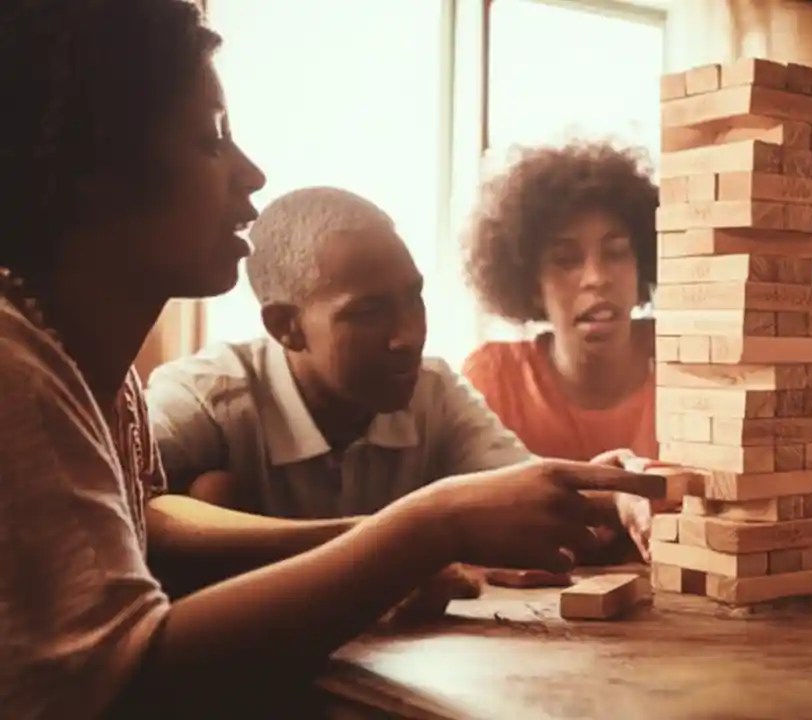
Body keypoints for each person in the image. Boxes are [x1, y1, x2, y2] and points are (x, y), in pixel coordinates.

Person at [0, 3, 656, 717]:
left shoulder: (99, 380)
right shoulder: (21, 372)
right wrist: (422, 529)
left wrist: (620, 486)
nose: (251, 174)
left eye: (414, 301)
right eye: (212, 138)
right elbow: (130, 679)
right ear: (95, 168)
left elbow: (138, 537)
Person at [146, 186, 531, 520]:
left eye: (414, 298)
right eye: (367, 313)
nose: (408, 336)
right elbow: (121, 513)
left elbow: (528, 498)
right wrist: (407, 539)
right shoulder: (205, 397)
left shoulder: (433, 392)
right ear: (286, 327)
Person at [460, 141, 659, 461]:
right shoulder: (495, 382)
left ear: (642, 266)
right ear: (533, 285)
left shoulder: (685, 361)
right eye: (566, 260)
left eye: (616, 253)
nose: (596, 277)